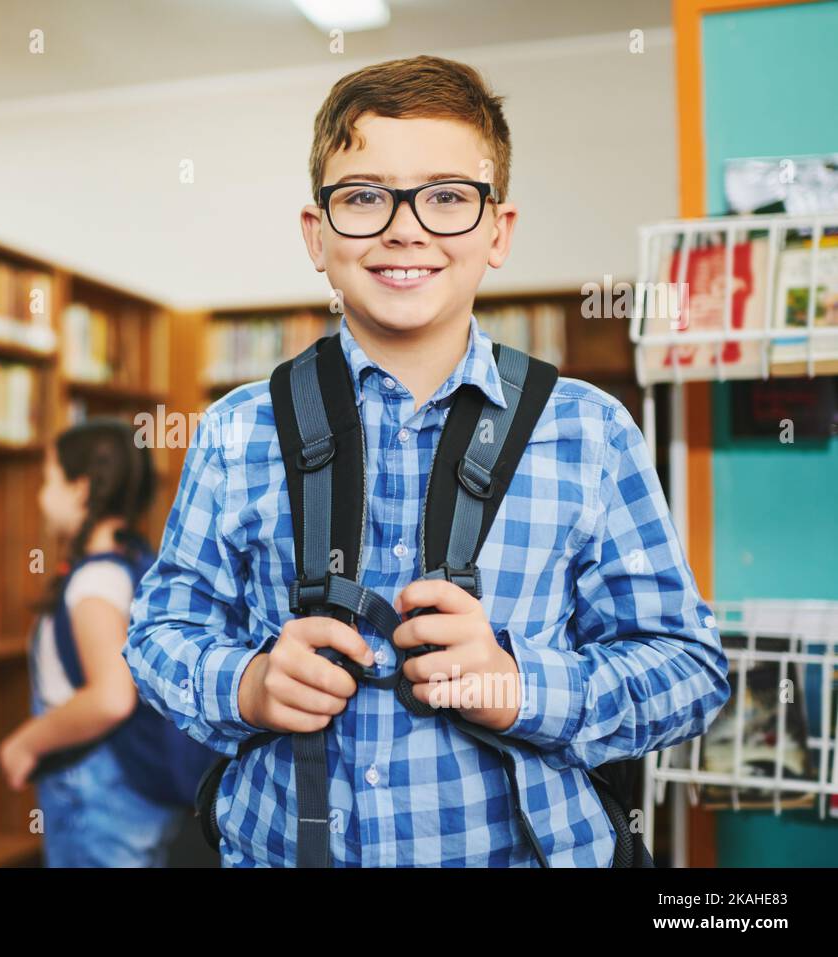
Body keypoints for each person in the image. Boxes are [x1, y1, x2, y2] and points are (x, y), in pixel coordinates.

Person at [124, 55, 731, 867]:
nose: (404, 228)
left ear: (498, 231)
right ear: (317, 234)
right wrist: (249, 684)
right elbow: (161, 630)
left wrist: (523, 686)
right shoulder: (237, 430)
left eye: (447, 196)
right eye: (364, 197)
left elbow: (690, 669)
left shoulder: (592, 431)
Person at [0, 419, 184, 867]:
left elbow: (111, 698)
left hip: (100, 793)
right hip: (137, 791)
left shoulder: (95, 582)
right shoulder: (139, 560)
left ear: (81, 489)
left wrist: (25, 743)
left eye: (48, 480)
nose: (42, 496)